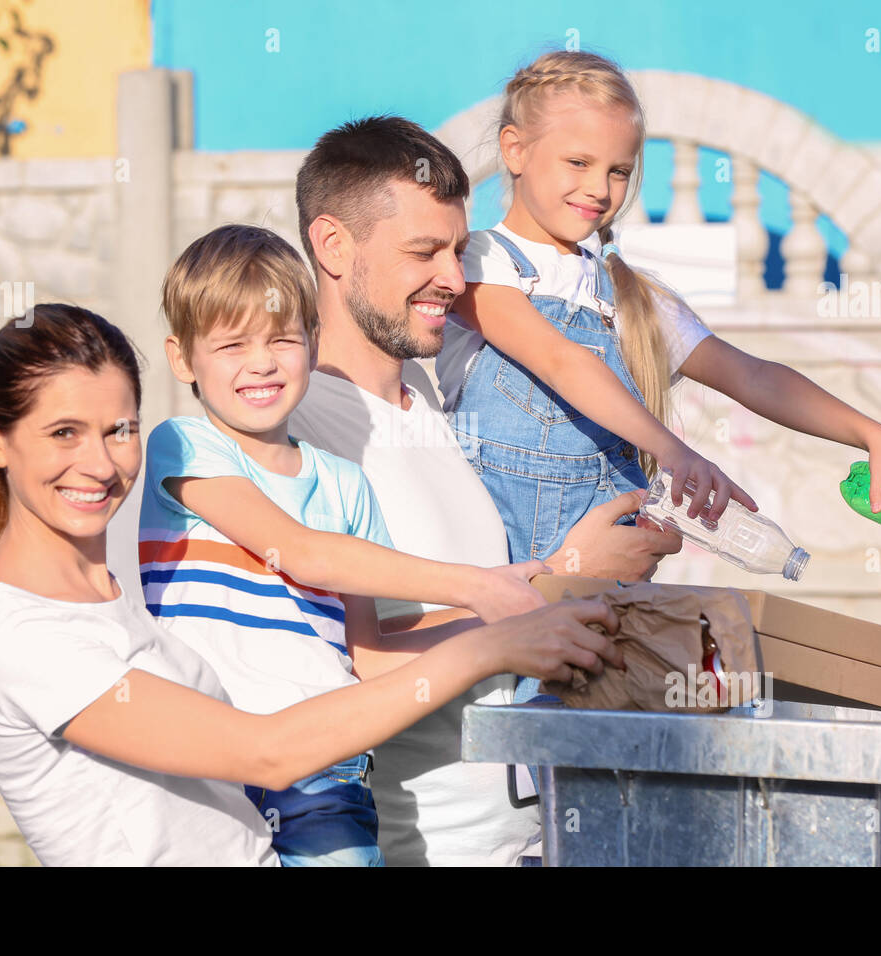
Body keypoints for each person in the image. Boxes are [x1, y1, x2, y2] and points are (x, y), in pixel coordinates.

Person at [0, 303, 623, 866]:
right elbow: (265, 751)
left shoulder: (112, 591)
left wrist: (524, 607)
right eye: (63, 433)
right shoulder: (22, 636)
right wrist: (491, 645)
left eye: (119, 430)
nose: (99, 462)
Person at [437, 49, 881, 703]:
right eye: (578, 163)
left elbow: (753, 375)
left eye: (619, 170)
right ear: (515, 149)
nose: (600, 187)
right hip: (507, 604)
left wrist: (873, 435)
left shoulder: (635, 297)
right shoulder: (478, 262)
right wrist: (673, 450)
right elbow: (561, 360)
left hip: (606, 608)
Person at [287, 116, 684, 865]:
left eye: (458, 250)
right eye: (423, 251)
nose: (456, 278)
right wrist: (566, 578)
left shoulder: (436, 403)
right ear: (334, 246)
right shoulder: (302, 430)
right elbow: (349, 658)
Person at [139, 224, 548, 866]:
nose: (261, 361)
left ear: (312, 340)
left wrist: (507, 622)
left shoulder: (346, 483)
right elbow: (300, 551)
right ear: (183, 358)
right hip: (205, 765)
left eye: (281, 338)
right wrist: (473, 583)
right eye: (232, 344)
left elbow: (374, 659)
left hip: (326, 776)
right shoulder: (186, 447)